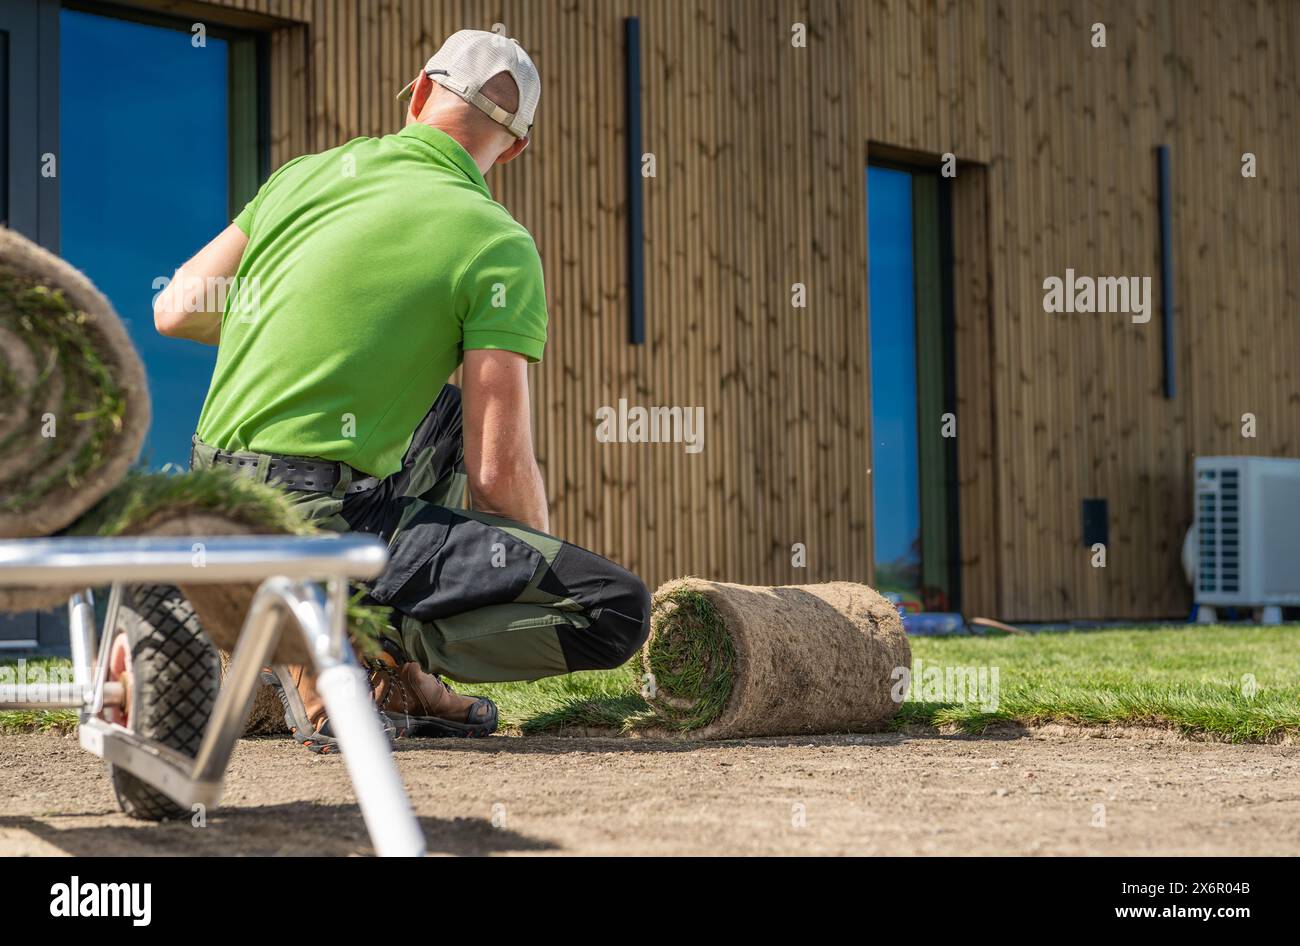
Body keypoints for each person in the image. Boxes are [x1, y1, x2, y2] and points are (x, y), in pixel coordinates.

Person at [154, 29, 650, 751]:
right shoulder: (494, 242)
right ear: (512, 150)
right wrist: (524, 558)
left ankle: (384, 669)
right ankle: (350, 636)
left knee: (442, 414)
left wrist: (307, 328)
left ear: (418, 93)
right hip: (316, 516)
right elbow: (499, 475)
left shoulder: (306, 175)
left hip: (214, 498)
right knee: (614, 609)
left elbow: (175, 309)